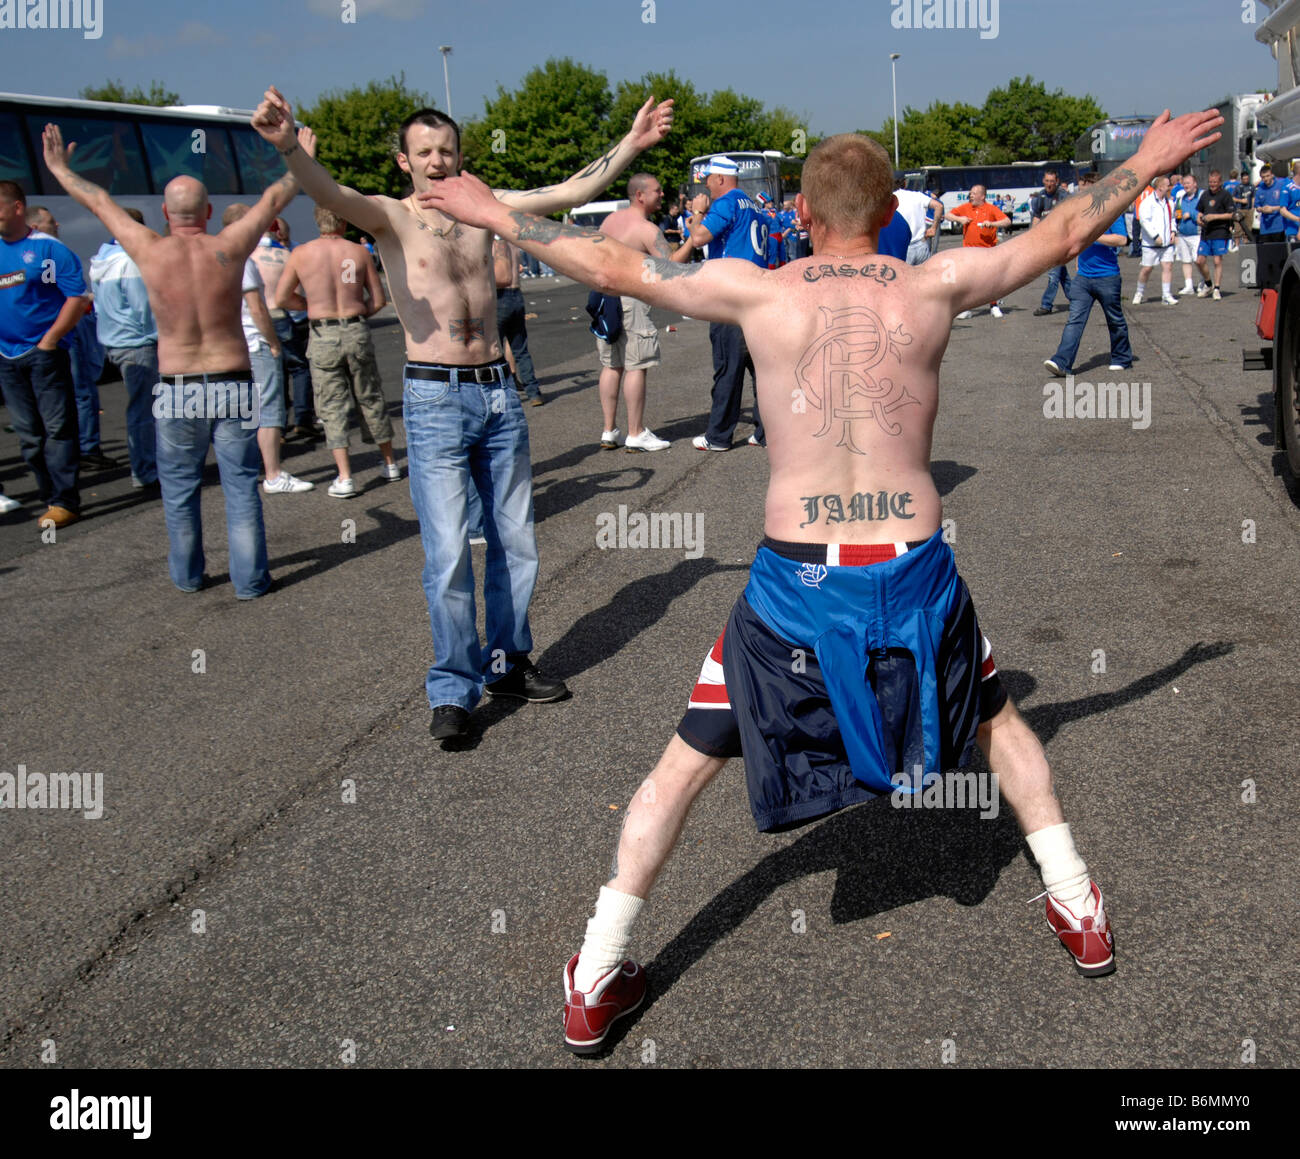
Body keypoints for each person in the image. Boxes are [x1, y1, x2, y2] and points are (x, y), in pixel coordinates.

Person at [427, 106, 1223, 1053]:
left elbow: (609, 264)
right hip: (912, 568)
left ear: (800, 212)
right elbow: (1064, 229)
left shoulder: (758, 292)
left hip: (795, 584)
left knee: (687, 761)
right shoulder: (936, 282)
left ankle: (598, 968)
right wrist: (1143, 161)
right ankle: (1077, 902)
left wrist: (490, 210)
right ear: (889, 210)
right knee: (1003, 724)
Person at [252, 85, 674, 741]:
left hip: (498, 391)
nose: (439, 161)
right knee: (448, 552)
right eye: (425, 152)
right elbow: (330, 195)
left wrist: (631, 141)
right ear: (405, 162)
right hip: (434, 395)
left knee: (517, 544)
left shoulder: (486, 210)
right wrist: (287, 149)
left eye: (447, 150)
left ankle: (507, 662)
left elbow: (566, 191)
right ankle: (453, 688)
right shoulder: (391, 216)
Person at [41, 122, 306, 597]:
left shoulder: (148, 248)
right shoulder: (229, 245)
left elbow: (98, 201)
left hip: (178, 387)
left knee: (181, 490)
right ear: (208, 211)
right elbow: (275, 198)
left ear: (164, 212)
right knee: (241, 487)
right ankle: (250, 582)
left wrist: (59, 168)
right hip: (233, 380)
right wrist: (294, 151)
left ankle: (188, 577)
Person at [272, 204, 400, 495]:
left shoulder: (302, 254)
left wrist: (310, 307)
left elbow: (281, 296)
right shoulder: (357, 252)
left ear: (318, 222)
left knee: (331, 404)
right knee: (370, 395)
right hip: (354, 328)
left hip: (322, 331)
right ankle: (389, 462)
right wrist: (356, 314)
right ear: (343, 222)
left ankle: (345, 476)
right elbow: (378, 299)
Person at [0, 181, 87, 526]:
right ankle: (48, 494)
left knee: (57, 429)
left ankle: (63, 500)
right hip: (7, 358)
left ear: (17, 208)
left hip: (44, 355)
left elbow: (76, 298)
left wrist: (50, 340)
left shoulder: (48, 250)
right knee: (29, 435)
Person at [674, 157, 768, 451]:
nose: (707, 187)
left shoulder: (726, 203)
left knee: (728, 367)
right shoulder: (753, 205)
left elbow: (700, 237)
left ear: (722, 180)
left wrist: (699, 213)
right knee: (760, 369)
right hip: (756, 292)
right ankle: (766, 431)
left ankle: (718, 436)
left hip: (730, 295)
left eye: (710, 180)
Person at [222, 203, 314, 495]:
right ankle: (273, 474)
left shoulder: (217, 257)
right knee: (269, 406)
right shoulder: (244, 260)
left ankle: (243, 470)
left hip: (233, 342)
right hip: (256, 339)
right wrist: (273, 341)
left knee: (243, 409)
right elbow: (257, 307)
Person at [28, 205, 115, 471]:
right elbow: (58, 292)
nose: (58, 225)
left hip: (43, 334)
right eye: (51, 221)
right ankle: (87, 447)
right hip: (62, 332)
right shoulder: (48, 254)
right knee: (81, 391)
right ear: (36, 227)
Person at [591, 173, 673, 452]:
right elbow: (670, 270)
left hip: (604, 298)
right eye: (657, 191)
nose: (662, 195)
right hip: (631, 298)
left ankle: (608, 430)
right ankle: (636, 432)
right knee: (636, 365)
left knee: (611, 364)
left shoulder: (609, 222)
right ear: (640, 195)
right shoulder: (646, 229)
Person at [88, 206, 159, 489]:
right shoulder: (131, 261)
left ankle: (145, 467)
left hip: (114, 342)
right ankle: (145, 471)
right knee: (144, 410)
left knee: (140, 407)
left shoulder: (101, 260)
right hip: (139, 342)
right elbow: (144, 309)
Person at [1043, 172, 1132, 376]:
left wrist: (1095, 236)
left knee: (1115, 319)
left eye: (1086, 188)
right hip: (1083, 278)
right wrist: (1076, 261)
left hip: (1108, 276)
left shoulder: (1112, 211)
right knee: (1074, 319)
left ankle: (1122, 357)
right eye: (1081, 188)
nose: (1082, 192)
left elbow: (1121, 240)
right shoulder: (1081, 212)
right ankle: (1062, 362)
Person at [492, 233, 545, 406]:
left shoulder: (494, 245)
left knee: (493, 351)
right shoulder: (513, 244)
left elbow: (499, 277)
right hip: (516, 295)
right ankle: (533, 392)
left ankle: (499, 396)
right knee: (521, 349)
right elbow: (520, 268)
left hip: (499, 297)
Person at [948, 185, 1010, 318]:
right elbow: (948, 215)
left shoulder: (991, 209)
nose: (971, 195)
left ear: (982, 196)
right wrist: (960, 219)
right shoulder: (965, 207)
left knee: (990, 280)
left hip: (987, 251)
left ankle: (993, 305)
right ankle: (966, 308)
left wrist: (992, 224)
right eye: (970, 193)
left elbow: (1007, 221)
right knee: (968, 281)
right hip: (969, 251)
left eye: (974, 193)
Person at [1030, 170, 1070, 315]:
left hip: (1060, 240)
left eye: (1052, 181)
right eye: (1047, 181)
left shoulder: (1064, 196)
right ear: (1043, 181)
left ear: (1057, 181)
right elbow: (1036, 218)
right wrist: (1032, 237)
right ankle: (1076, 299)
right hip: (1047, 240)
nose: (1049, 184)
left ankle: (1046, 305)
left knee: (1054, 274)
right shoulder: (1039, 197)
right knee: (1062, 274)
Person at [1133, 175, 1178, 306]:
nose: (1169, 187)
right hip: (1151, 244)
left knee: (1167, 266)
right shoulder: (1147, 202)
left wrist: (1173, 232)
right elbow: (1144, 221)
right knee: (1147, 269)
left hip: (1167, 243)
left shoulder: (1170, 203)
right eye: (1167, 184)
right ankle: (1139, 292)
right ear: (1160, 187)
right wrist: (1155, 236)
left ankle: (1166, 294)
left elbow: (1172, 219)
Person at [1195, 169, 1235, 300]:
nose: (1212, 184)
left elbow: (1231, 214)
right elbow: (1199, 211)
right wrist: (1199, 219)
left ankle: (1217, 288)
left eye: (1215, 182)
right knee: (1199, 261)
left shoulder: (1225, 195)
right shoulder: (1205, 195)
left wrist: (1214, 217)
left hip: (1220, 231)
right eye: (1210, 182)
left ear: (1220, 182)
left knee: (1217, 260)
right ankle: (1208, 284)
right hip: (1206, 232)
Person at [892, 180, 944, 266]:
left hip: (904, 246)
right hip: (921, 245)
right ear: (905, 183)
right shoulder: (917, 195)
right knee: (923, 277)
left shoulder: (892, 198)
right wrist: (933, 228)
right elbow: (939, 206)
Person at [1172, 174, 1207, 296]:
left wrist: (1191, 214)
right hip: (1182, 234)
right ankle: (1188, 286)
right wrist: (1177, 216)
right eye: (1184, 183)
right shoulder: (1181, 198)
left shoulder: (1202, 195)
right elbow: (1176, 211)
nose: (1186, 185)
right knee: (1185, 260)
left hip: (1197, 234)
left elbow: (1204, 211)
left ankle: (1204, 283)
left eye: (1188, 183)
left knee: (1198, 260)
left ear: (1195, 184)